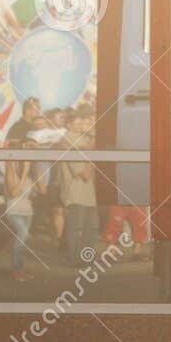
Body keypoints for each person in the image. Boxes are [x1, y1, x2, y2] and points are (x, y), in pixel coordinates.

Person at [60, 112, 99, 264]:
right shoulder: (68, 141)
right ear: (68, 125)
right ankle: (75, 258)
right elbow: (84, 174)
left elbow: (90, 146)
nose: (82, 126)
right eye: (78, 124)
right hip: (76, 193)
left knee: (92, 228)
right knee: (76, 227)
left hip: (89, 195)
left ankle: (87, 257)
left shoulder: (84, 140)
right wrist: (94, 159)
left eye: (83, 123)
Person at [1, 141, 39, 282]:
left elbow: (41, 191)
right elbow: (14, 192)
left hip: (28, 212)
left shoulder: (29, 171)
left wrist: (36, 169)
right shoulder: (11, 168)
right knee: (22, 235)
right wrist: (24, 173)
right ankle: (16, 270)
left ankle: (20, 269)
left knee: (22, 241)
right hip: (13, 211)